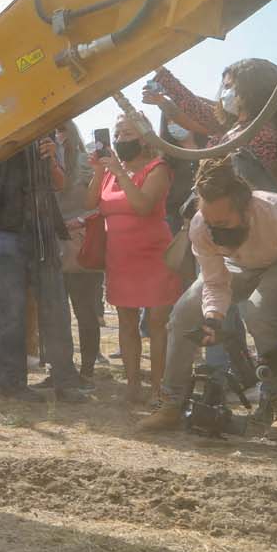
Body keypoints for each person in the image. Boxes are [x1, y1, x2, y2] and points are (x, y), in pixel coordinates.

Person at [140, 155, 277, 436]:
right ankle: (171, 403)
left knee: (257, 311)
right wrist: (213, 319)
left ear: (246, 209)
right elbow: (216, 284)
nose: (214, 228)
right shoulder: (200, 226)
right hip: (240, 263)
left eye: (223, 222)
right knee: (183, 313)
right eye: (210, 221)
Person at [0, 137, 89, 403]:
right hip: (4, 228)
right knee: (12, 309)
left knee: (55, 307)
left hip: (41, 229)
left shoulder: (42, 133)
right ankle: (13, 383)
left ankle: (65, 381)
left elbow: (60, 184)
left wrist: (51, 159)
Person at [87, 114, 182, 402]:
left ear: (144, 137)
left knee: (157, 323)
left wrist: (118, 173)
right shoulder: (111, 170)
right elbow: (90, 204)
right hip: (120, 257)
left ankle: (158, 388)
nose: (120, 139)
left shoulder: (158, 168)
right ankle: (132, 386)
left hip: (154, 255)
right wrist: (97, 172)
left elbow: (142, 206)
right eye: (117, 134)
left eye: (127, 133)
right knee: (126, 322)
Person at [145, 59, 277, 192]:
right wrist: (159, 71)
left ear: (251, 90)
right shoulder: (233, 126)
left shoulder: (262, 134)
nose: (225, 93)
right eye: (224, 87)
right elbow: (195, 107)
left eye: (230, 87)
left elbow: (241, 186)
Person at [55, 122, 104, 383]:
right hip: (52, 246)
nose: (56, 136)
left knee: (85, 311)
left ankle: (87, 370)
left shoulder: (85, 163)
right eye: (52, 131)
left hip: (80, 245)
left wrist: (81, 221)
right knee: (55, 313)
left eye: (60, 130)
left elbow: (100, 202)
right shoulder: (42, 164)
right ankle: (59, 370)